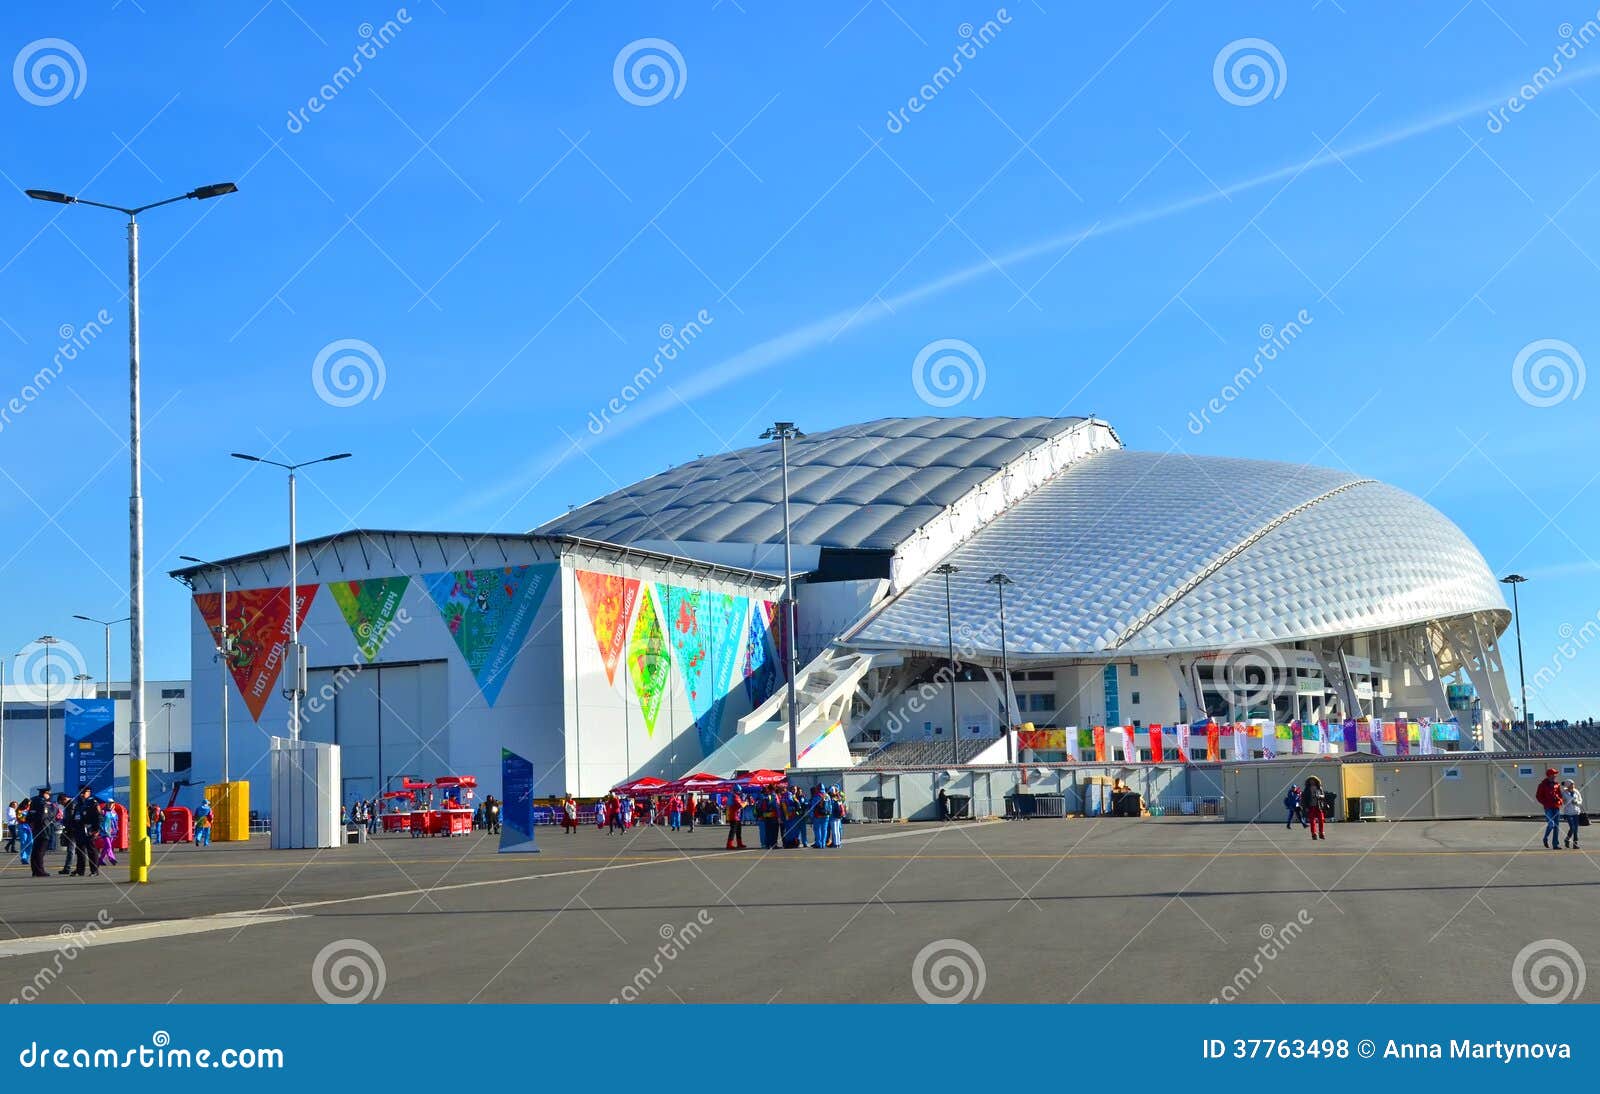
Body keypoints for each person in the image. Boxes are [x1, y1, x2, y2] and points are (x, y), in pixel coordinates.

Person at [71, 789, 102, 876]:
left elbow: (99, 817)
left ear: (89, 793)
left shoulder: (93, 803)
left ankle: (94, 871)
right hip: (79, 830)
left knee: (91, 851)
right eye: (80, 793)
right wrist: (73, 827)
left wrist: (96, 830)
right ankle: (80, 870)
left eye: (84, 793)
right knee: (80, 851)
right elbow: (75, 816)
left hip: (89, 830)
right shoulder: (79, 803)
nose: (82, 794)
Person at [1537, 767, 1564, 850]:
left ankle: (1555, 844)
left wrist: (1560, 801)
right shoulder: (1542, 785)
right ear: (1549, 775)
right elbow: (1538, 796)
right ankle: (1545, 838)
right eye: (1553, 774)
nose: (1555, 775)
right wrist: (1545, 802)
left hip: (1556, 807)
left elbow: (1560, 795)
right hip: (1548, 807)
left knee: (1556, 826)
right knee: (1551, 824)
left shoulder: (1557, 784)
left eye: (1555, 774)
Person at [26, 790, 52, 877]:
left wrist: (32, 824)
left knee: (35, 850)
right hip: (43, 829)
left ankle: (34, 870)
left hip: (35, 829)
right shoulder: (44, 803)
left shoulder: (34, 802)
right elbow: (43, 817)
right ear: (44, 794)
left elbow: (28, 817)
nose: (49, 795)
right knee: (40, 851)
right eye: (48, 794)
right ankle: (40, 871)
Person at [58, 793, 79, 875]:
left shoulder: (71, 805)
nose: (61, 804)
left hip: (72, 830)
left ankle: (68, 868)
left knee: (71, 850)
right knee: (72, 850)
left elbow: (70, 818)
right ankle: (68, 867)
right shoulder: (71, 804)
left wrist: (66, 825)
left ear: (64, 799)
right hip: (72, 829)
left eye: (61, 802)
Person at [1560, 779, 1585, 849]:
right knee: (1572, 827)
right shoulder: (1564, 793)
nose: (1573, 785)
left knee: (1576, 828)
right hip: (1568, 812)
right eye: (1571, 784)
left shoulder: (1576, 791)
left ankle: (1575, 843)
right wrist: (1564, 802)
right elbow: (1561, 802)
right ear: (1568, 785)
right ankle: (1568, 839)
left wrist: (1577, 802)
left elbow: (1580, 800)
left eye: (1573, 784)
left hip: (1576, 812)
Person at [1302, 775, 1327, 841]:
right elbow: (1303, 799)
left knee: (1321, 820)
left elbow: (1323, 796)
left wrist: (1319, 796)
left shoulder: (1319, 788)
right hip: (1310, 807)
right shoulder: (1306, 789)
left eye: (1313, 780)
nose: (1312, 781)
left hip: (1318, 806)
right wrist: (1306, 807)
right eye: (1310, 780)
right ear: (1308, 781)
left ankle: (1321, 833)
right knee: (1312, 821)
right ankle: (1314, 834)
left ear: (1316, 781)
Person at [98, 799, 119, 866]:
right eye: (109, 803)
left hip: (113, 832)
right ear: (106, 804)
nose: (110, 805)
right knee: (109, 846)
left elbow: (116, 822)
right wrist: (100, 829)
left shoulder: (114, 812)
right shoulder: (103, 812)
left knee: (106, 847)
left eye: (112, 803)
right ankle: (112, 858)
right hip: (105, 832)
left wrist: (117, 829)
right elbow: (100, 821)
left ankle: (100, 860)